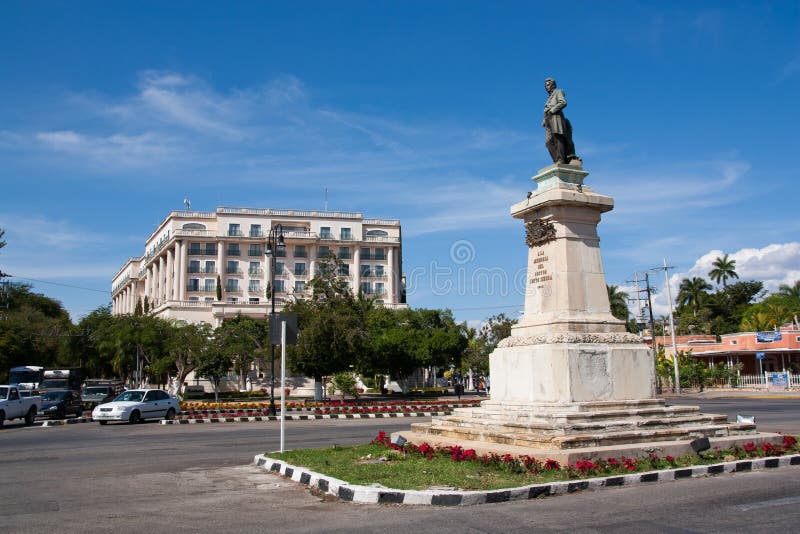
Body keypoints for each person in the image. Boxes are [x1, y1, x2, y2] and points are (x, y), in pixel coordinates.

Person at [542, 78, 580, 165]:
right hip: (548, 118)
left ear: (553, 85)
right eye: (545, 85)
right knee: (548, 142)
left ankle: (561, 160)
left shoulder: (558, 92)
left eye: (548, 85)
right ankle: (556, 160)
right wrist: (545, 119)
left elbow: (563, 102)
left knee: (558, 137)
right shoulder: (549, 97)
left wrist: (553, 110)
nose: (546, 87)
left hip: (556, 116)